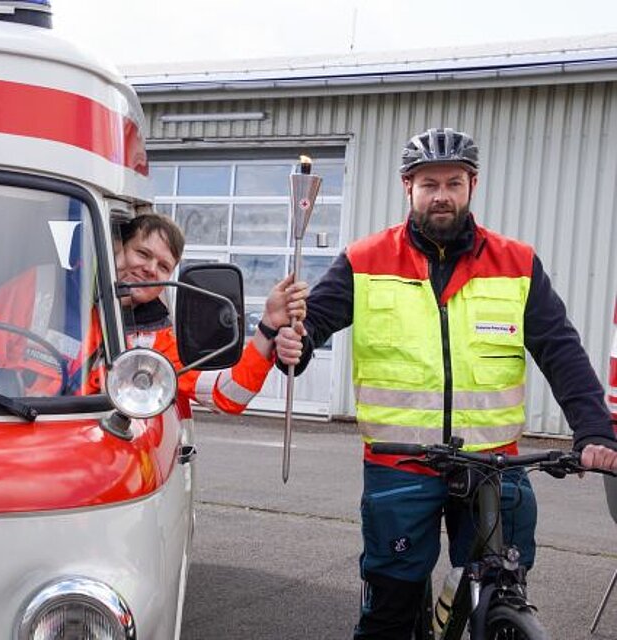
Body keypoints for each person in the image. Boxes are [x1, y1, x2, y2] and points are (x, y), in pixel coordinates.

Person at [272, 127, 617, 638]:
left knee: (500, 590)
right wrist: (290, 348)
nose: (441, 195)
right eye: (429, 183)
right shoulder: (365, 261)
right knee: (389, 610)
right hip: (399, 466)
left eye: (453, 182)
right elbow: (308, 328)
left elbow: (560, 349)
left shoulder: (516, 263)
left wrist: (595, 430)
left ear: (471, 186)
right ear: (407, 187)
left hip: (493, 466)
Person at [82, 212, 306, 413]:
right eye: (142, 253)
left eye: (163, 267)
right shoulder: (64, 305)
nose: (150, 269)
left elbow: (228, 393)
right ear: (117, 249)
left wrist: (268, 326)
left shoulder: (159, 347)